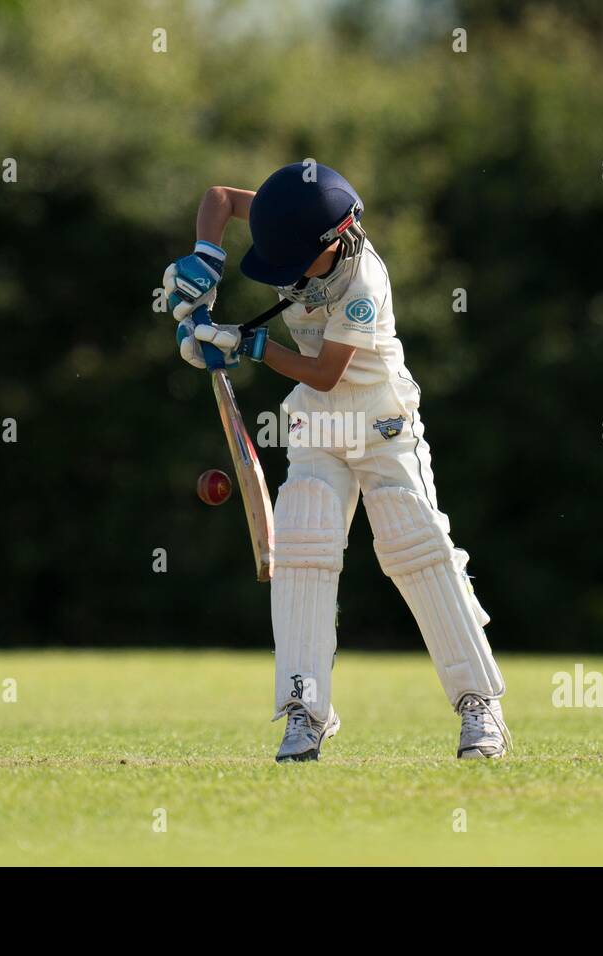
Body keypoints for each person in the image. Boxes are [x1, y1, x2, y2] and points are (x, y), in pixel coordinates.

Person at [164, 163, 509, 762]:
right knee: (302, 545)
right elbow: (219, 197)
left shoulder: (363, 283)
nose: (282, 267)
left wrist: (247, 344)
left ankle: (480, 708)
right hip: (318, 426)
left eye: (291, 257)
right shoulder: (293, 220)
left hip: (381, 424)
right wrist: (204, 261)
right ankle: (305, 711)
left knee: (415, 546)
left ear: (332, 240)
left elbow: (327, 372)